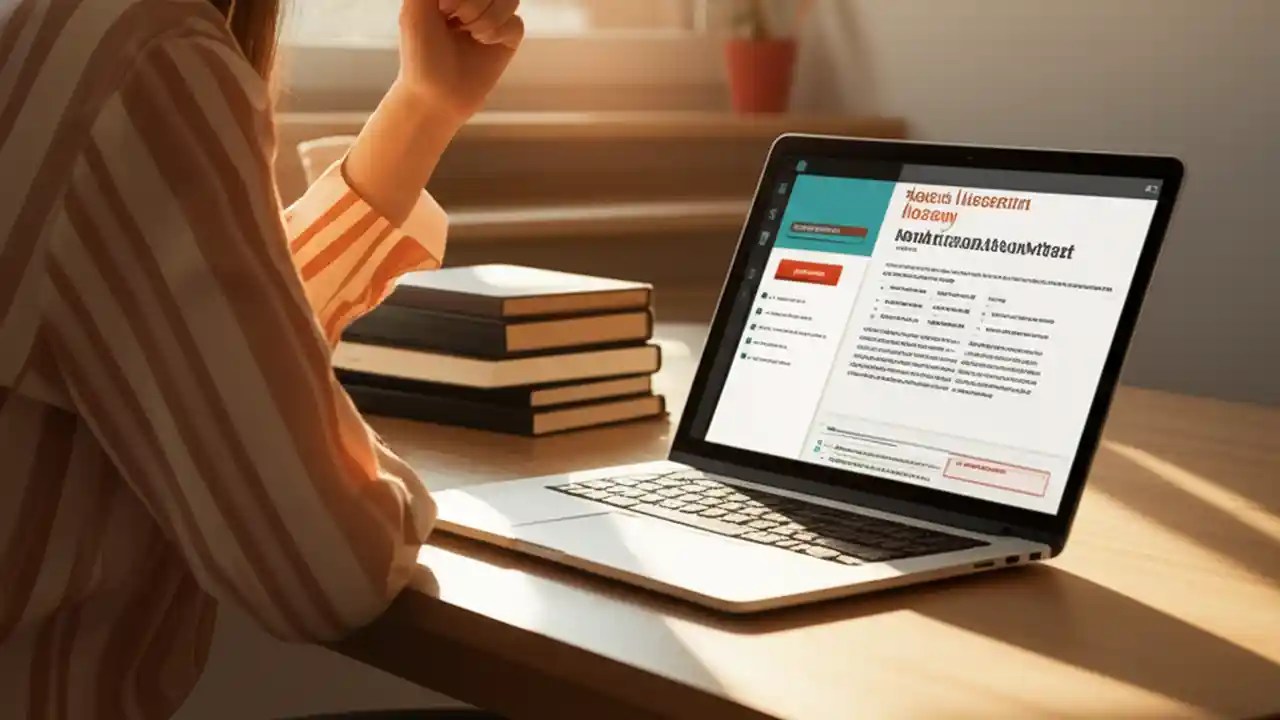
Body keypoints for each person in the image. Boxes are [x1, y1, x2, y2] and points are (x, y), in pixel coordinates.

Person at [0, 0, 523, 717]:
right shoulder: (140, 50)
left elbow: (197, 353)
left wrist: (423, 109)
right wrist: (371, 479)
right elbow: (322, 568)